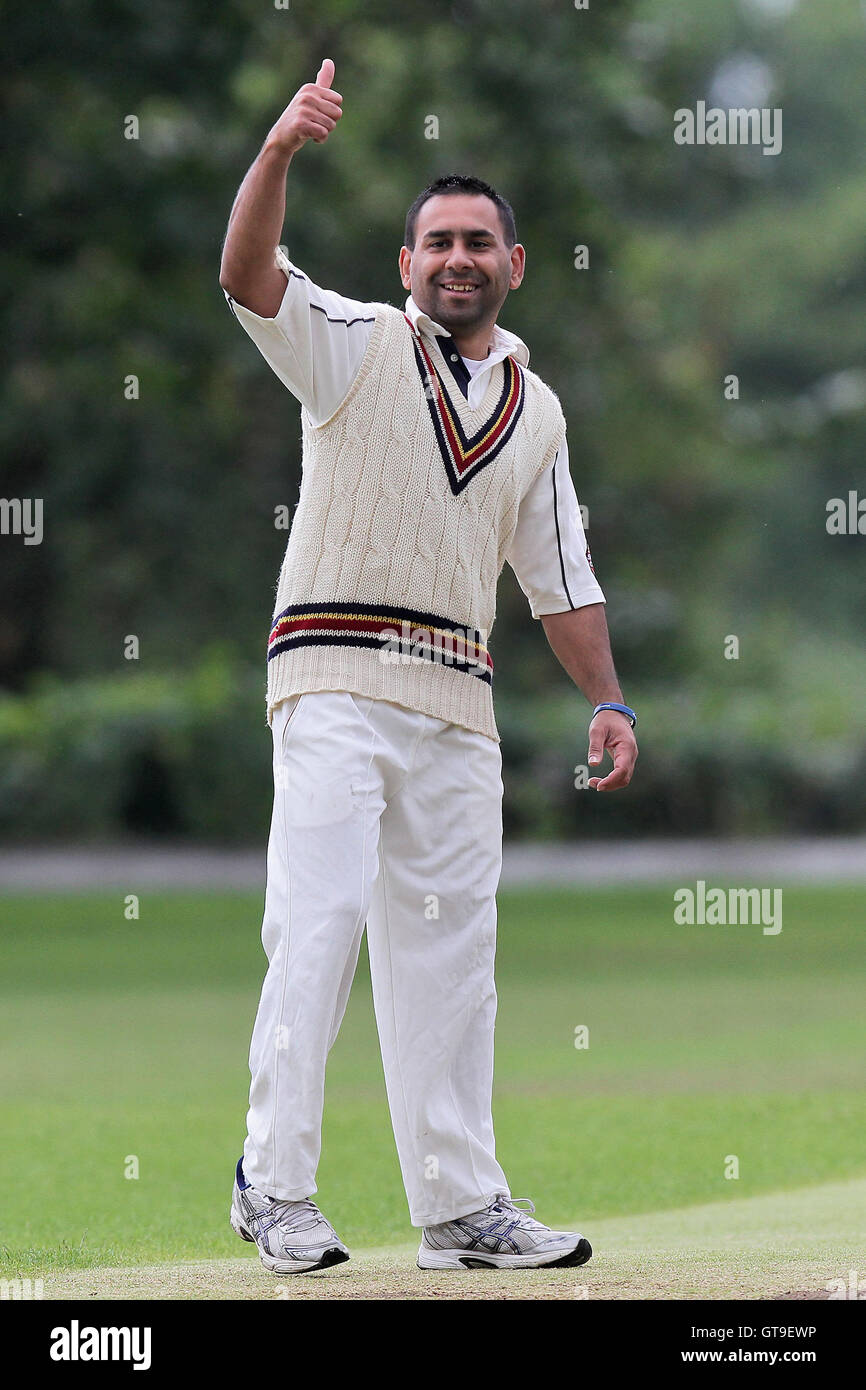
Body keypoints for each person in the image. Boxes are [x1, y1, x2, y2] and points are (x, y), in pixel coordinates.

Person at [218, 58, 638, 1276]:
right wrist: (283, 148)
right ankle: (274, 1185)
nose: (456, 258)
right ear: (405, 265)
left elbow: (559, 579)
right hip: (335, 682)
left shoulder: (536, 407)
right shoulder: (349, 344)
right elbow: (247, 276)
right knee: (320, 925)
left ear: (514, 263)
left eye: (478, 242)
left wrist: (605, 697)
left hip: (457, 708)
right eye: (435, 241)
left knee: (453, 961)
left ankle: (461, 1210)